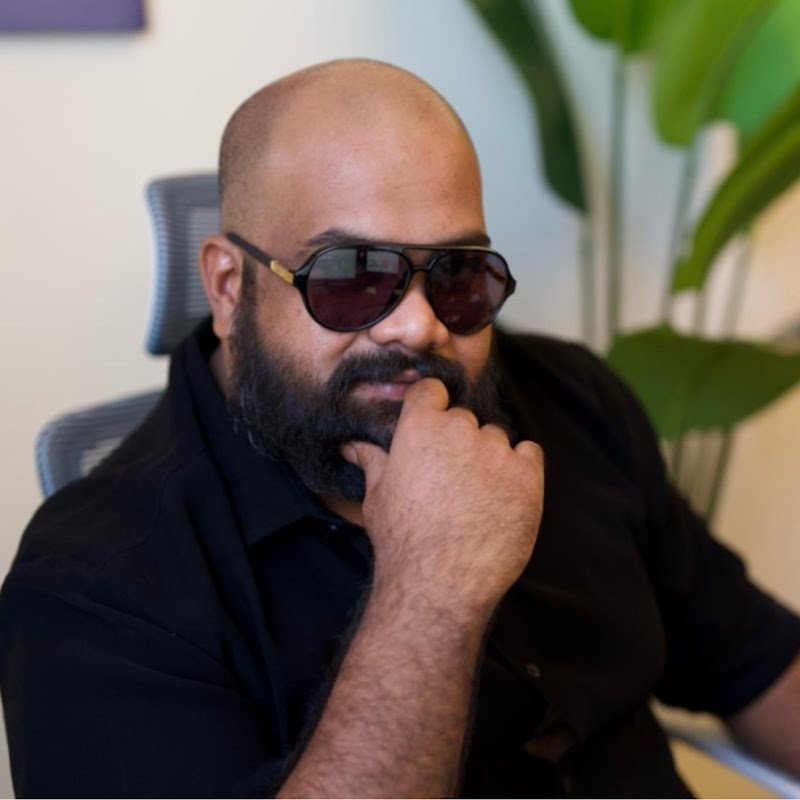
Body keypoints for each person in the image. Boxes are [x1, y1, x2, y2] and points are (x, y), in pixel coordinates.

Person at [1, 58, 799, 798]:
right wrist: (431, 588)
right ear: (228, 284)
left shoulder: (570, 398)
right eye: (351, 276)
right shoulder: (94, 580)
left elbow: (754, 664)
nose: (419, 327)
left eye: (458, 273)